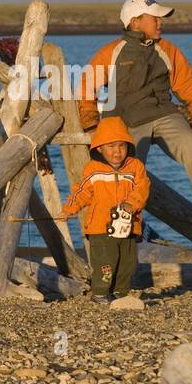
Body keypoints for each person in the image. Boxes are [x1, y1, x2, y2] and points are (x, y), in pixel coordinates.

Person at [77, 0, 192, 221]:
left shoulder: (168, 50)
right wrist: (91, 125)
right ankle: (126, 221)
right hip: (124, 121)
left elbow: (190, 89)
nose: (160, 23)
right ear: (135, 22)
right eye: (155, 18)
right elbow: (86, 89)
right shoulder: (111, 52)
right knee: (127, 172)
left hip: (164, 115)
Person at [61, 116, 151, 305]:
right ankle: (100, 292)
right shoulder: (93, 169)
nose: (117, 151)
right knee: (105, 262)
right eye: (111, 146)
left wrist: (130, 204)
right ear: (100, 148)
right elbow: (82, 191)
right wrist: (70, 208)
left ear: (128, 146)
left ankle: (121, 292)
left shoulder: (136, 168)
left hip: (128, 226)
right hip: (100, 227)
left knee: (127, 262)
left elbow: (142, 189)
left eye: (121, 146)